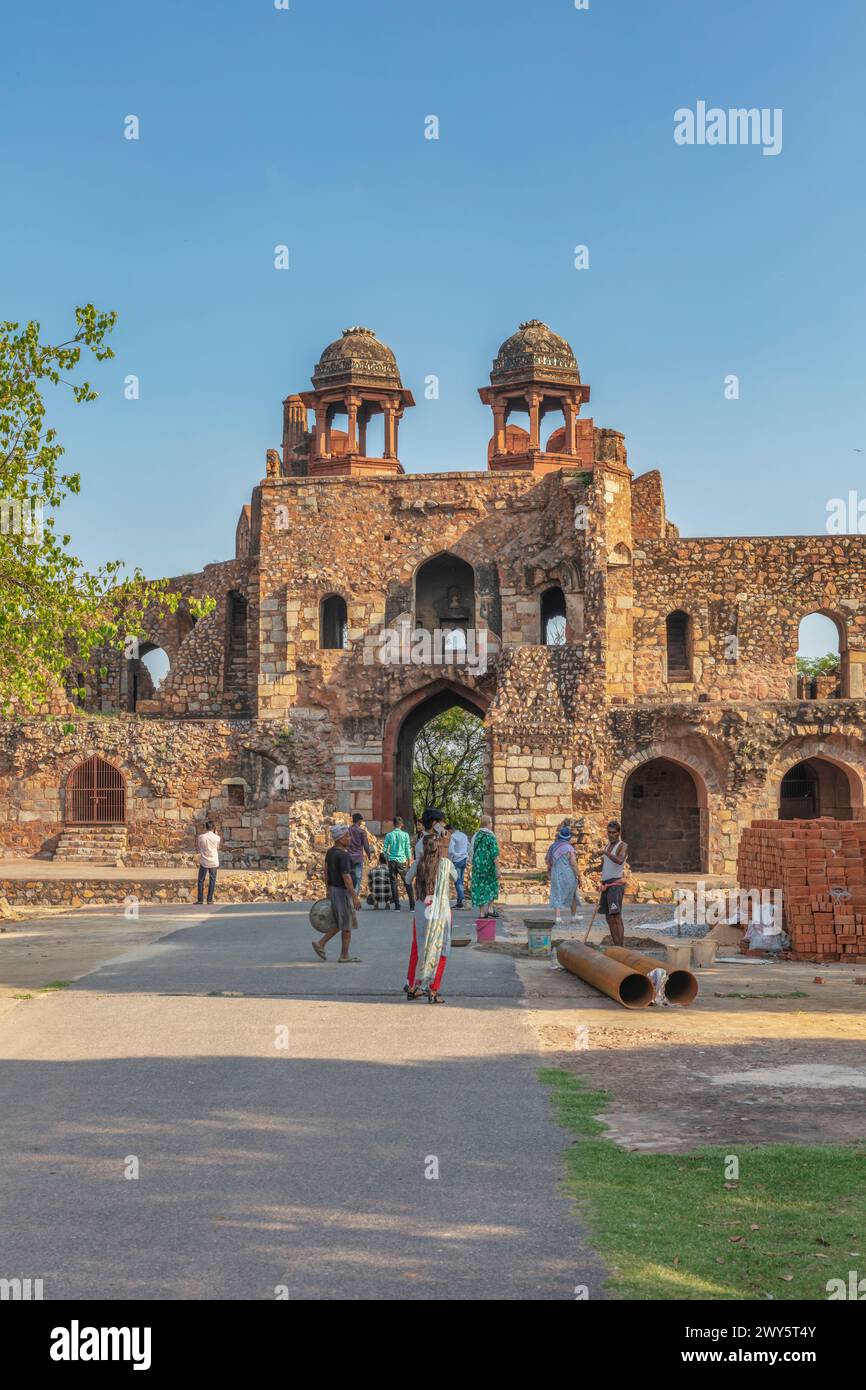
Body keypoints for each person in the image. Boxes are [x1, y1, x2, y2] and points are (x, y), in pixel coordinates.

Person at [404, 824, 457, 1003]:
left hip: (422, 910)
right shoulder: (446, 864)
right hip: (441, 911)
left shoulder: (419, 863)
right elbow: (456, 877)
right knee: (441, 949)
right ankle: (433, 990)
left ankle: (414, 987)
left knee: (419, 948)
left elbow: (407, 879)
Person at [314, 826, 362, 962]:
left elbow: (326, 871)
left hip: (334, 889)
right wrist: (355, 897)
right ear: (340, 839)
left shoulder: (330, 852)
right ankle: (343, 955)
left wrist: (328, 889)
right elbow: (346, 877)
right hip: (342, 892)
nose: (349, 838)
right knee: (346, 924)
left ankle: (322, 943)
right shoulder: (343, 855)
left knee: (340, 921)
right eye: (347, 836)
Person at [599, 819, 628, 947]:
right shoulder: (607, 846)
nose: (611, 835)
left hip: (615, 885)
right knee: (609, 918)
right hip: (605, 885)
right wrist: (592, 869)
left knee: (616, 916)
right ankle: (617, 946)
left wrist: (605, 853)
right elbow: (604, 866)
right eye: (609, 832)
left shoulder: (622, 846)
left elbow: (620, 860)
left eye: (613, 832)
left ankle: (621, 948)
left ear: (618, 833)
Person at [546, 824, 581, 919]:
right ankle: (574, 916)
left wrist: (548, 871)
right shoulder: (569, 848)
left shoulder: (553, 847)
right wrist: (579, 874)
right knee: (572, 893)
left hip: (555, 874)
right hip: (568, 874)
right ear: (569, 838)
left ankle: (558, 917)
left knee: (556, 893)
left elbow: (548, 861)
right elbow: (573, 863)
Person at [469, 814, 500, 917]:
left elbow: (471, 851)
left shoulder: (476, 835)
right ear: (488, 824)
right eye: (491, 823)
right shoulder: (490, 836)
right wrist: (497, 869)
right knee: (492, 885)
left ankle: (482, 912)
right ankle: (490, 909)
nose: (492, 825)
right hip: (489, 866)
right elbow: (495, 854)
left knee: (479, 887)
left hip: (478, 866)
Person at [382, 815, 414, 909]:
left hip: (392, 861)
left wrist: (387, 859)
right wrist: (409, 861)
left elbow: (384, 850)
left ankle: (397, 906)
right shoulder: (405, 835)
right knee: (407, 881)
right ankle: (412, 905)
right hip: (402, 861)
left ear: (393, 824)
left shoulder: (389, 835)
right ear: (402, 824)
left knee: (393, 883)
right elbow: (407, 849)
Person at [347, 812, 374, 897]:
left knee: (348, 877)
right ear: (359, 821)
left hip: (348, 857)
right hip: (358, 858)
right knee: (357, 878)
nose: (362, 822)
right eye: (361, 821)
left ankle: (349, 895)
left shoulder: (347, 830)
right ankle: (355, 896)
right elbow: (366, 846)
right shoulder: (362, 831)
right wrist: (369, 856)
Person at [445, 822, 470, 909]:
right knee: (461, 880)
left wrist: (453, 857)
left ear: (450, 830)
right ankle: (459, 903)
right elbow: (468, 846)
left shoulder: (452, 836)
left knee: (457, 881)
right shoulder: (464, 835)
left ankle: (462, 900)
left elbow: (450, 850)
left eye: (447, 831)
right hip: (464, 859)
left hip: (457, 860)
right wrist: (465, 855)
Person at [196, 819, 221, 905]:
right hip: (213, 861)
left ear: (206, 827)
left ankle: (200, 900)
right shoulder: (217, 838)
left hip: (204, 860)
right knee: (212, 880)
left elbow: (199, 847)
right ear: (213, 828)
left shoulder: (201, 837)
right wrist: (216, 834)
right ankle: (209, 899)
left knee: (200, 880)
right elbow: (217, 848)